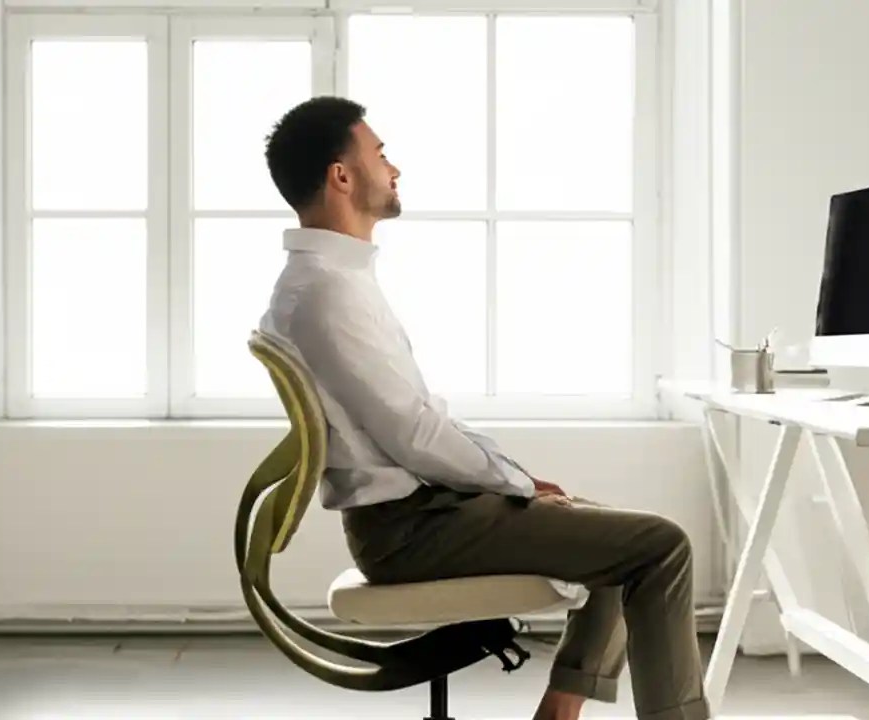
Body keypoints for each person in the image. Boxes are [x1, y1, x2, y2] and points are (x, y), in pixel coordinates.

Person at [258, 96, 710, 720]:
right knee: (660, 546)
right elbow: (415, 434)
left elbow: (417, 419)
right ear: (342, 175)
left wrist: (514, 481)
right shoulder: (326, 294)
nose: (394, 169)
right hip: (410, 528)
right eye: (381, 155)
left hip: (426, 512)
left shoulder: (329, 282)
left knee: (611, 531)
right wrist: (514, 483)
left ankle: (559, 712)